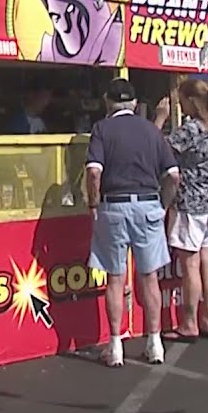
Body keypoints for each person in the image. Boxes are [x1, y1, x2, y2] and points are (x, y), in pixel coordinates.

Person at [85, 78, 181, 367]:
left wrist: (93, 204)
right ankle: (154, 342)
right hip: (148, 204)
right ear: (135, 103)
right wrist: (162, 205)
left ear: (107, 101)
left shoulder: (101, 129)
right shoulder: (151, 131)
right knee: (149, 276)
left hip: (114, 205)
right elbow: (174, 175)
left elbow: (93, 173)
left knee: (115, 278)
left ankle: (115, 346)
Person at [151, 78, 208, 343]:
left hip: (191, 203)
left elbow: (157, 149)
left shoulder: (191, 130)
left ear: (191, 101)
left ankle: (189, 322)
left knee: (190, 263)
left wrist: (159, 119)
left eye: (182, 101)